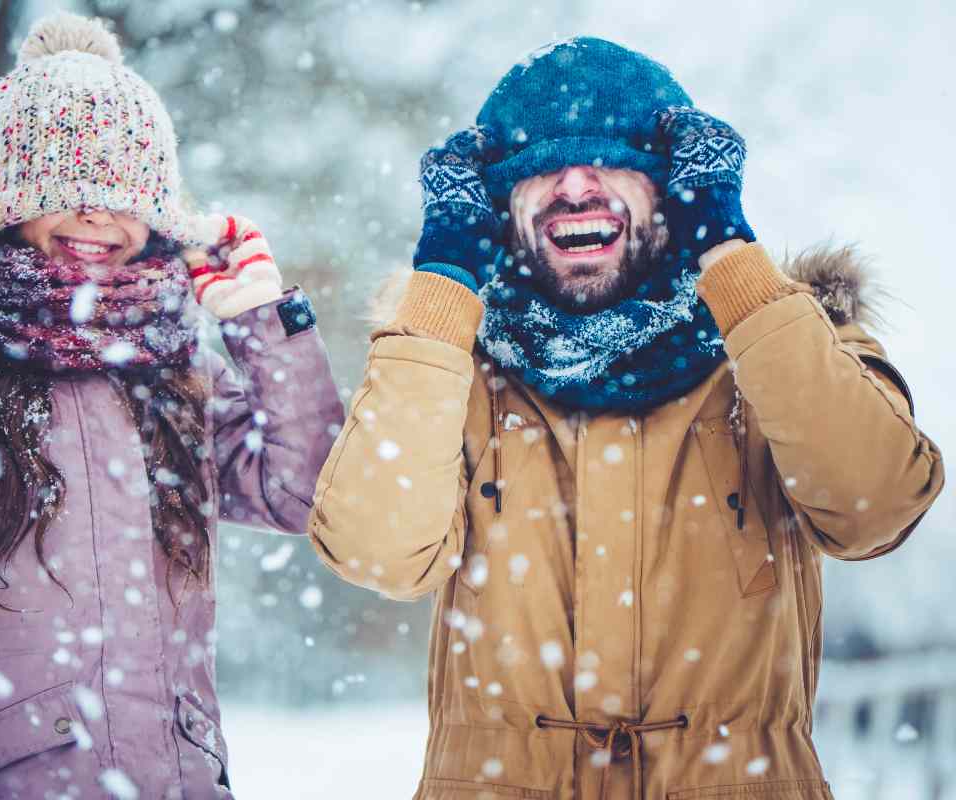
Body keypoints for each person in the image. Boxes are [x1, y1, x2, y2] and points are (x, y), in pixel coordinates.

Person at [308, 37, 943, 800]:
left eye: (613, 160)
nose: (576, 183)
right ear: (502, 209)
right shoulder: (452, 369)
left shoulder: (789, 343)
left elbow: (873, 506)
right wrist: (442, 282)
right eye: (539, 166)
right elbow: (377, 552)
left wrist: (729, 255)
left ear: (669, 191)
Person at [0, 13, 342, 799]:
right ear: (12, 203)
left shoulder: (174, 368)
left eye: (125, 195)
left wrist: (263, 320)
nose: (97, 216)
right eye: (67, 189)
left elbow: (305, 491)